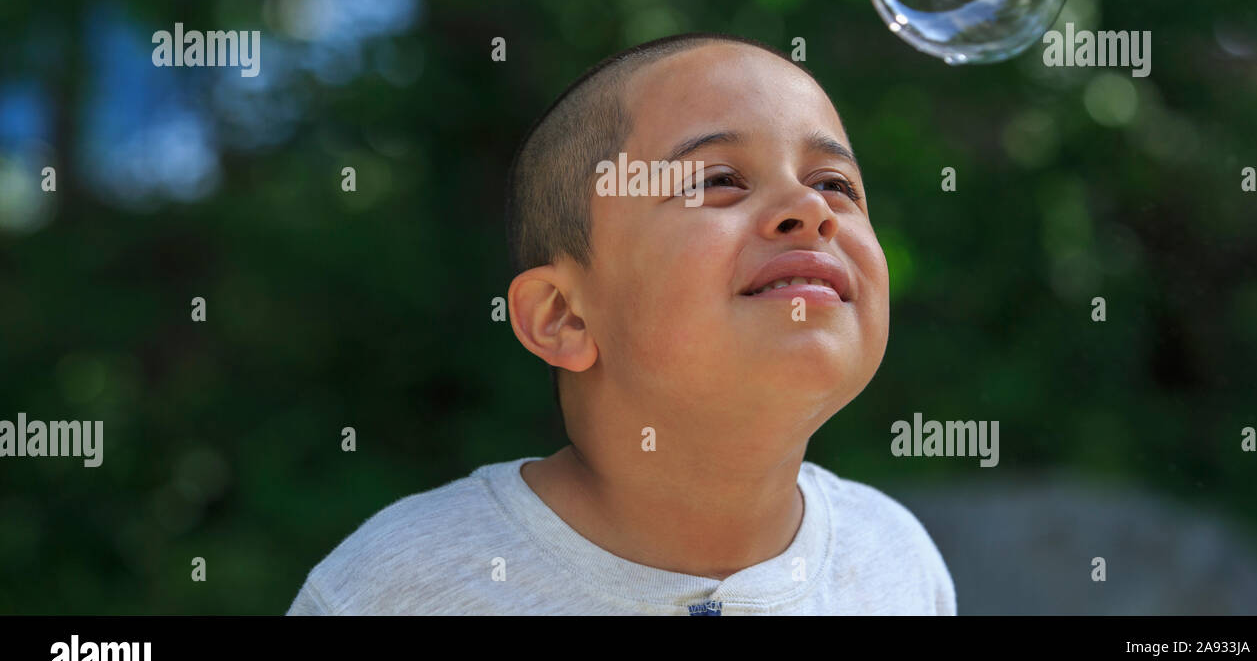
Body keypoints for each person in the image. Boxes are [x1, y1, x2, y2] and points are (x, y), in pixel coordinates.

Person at [286, 32, 956, 615]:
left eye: (836, 184)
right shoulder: (403, 589)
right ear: (563, 317)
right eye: (719, 179)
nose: (809, 209)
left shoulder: (894, 560)